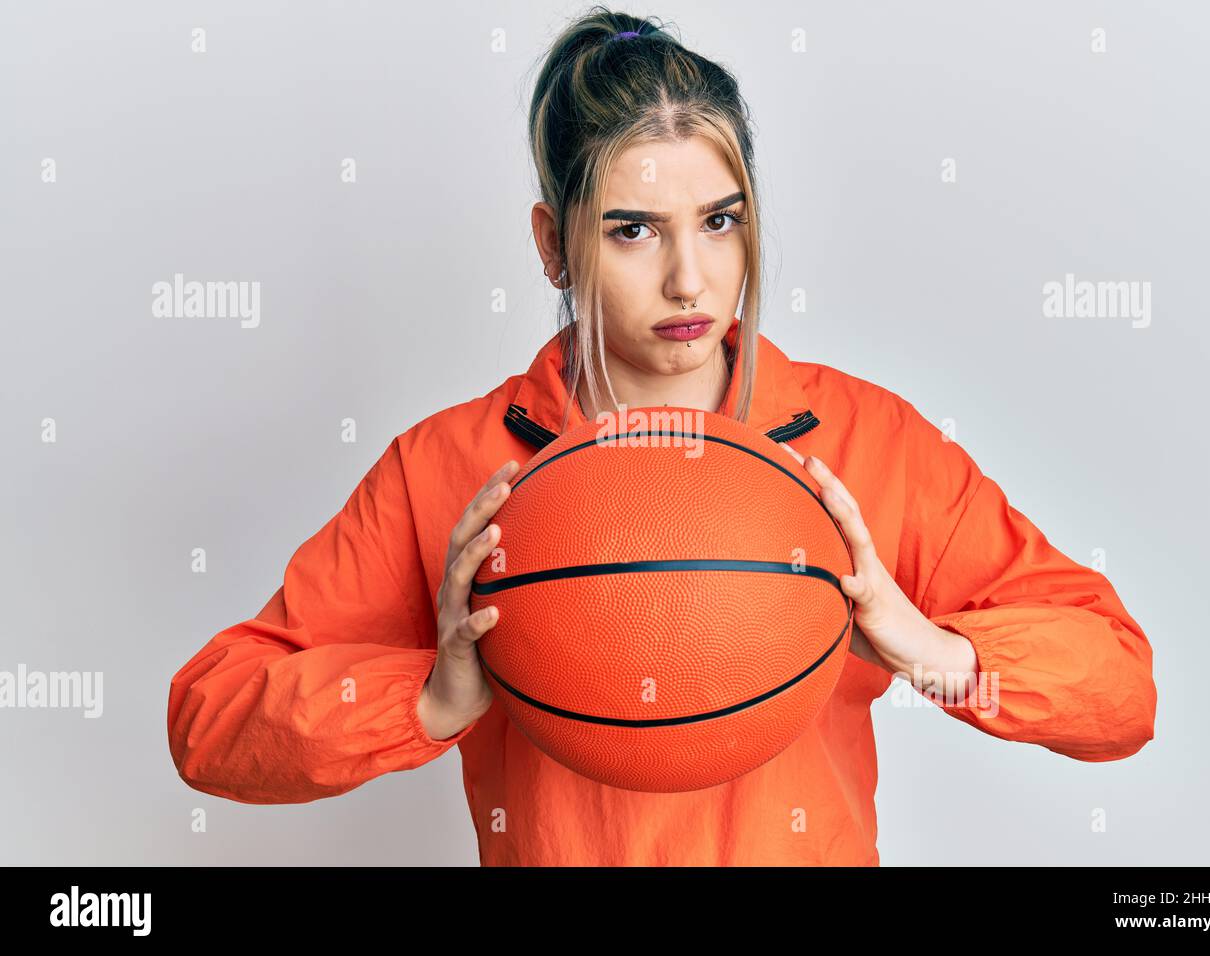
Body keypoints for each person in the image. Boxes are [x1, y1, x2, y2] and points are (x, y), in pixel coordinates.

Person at [166, 7, 1157, 866]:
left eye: (719, 221)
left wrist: (930, 645)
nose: (690, 279)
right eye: (631, 230)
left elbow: (1117, 682)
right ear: (553, 242)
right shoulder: (451, 470)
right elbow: (209, 719)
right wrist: (425, 699)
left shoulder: (866, 444)